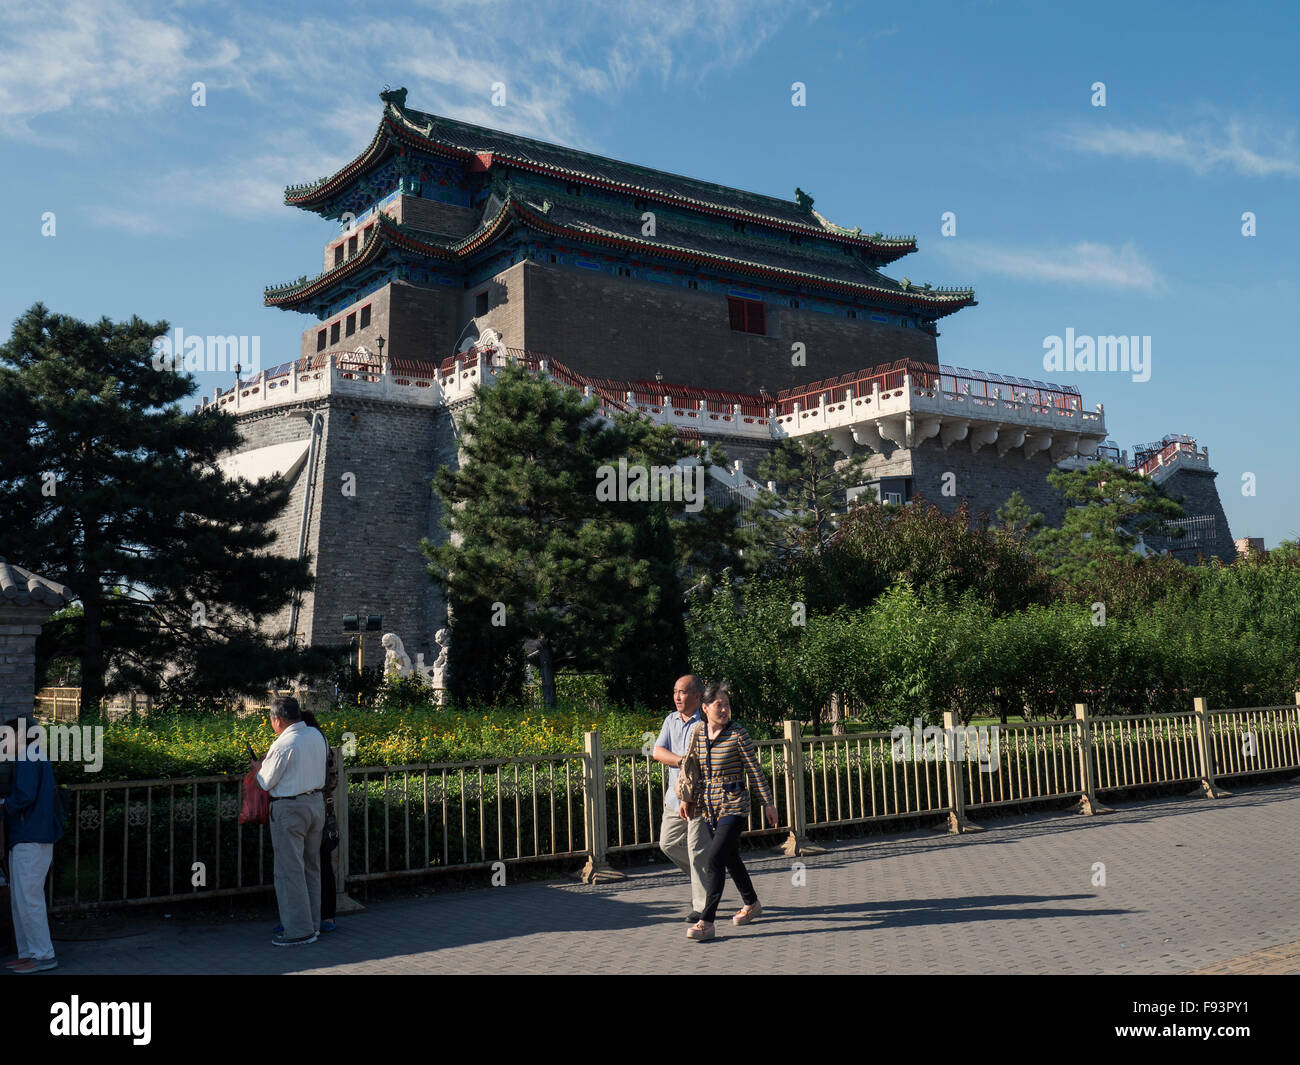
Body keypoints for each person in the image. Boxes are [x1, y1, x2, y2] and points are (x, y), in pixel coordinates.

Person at [681, 682, 778, 942]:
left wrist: (768, 803)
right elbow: (692, 769)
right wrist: (687, 799)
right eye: (718, 705)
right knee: (730, 857)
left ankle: (707, 922)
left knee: (714, 859)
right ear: (705, 708)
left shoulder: (738, 734)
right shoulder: (699, 733)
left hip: (735, 805)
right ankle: (752, 903)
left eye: (727, 705)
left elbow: (755, 771)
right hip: (709, 808)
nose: (724, 710)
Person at [251, 697, 328, 946]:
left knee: (289, 871)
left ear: (277, 719)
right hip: (316, 804)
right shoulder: (316, 735)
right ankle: (313, 925)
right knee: (311, 868)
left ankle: (298, 931)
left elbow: (265, 782)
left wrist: (257, 768)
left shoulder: (284, 743)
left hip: (290, 808)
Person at [2, 714, 63, 973]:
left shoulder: (28, 757)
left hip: (30, 836)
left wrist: (5, 806)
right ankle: (30, 953)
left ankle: (43, 955)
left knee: (27, 899)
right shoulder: (34, 755)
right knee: (23, 899)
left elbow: (24, 796)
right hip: (32, 836)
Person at [651, 675, 711, 922]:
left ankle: (702, 906)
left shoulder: (707, 722)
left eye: (683, 692)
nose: (677, 697)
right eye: (675, 691)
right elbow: (657, 751)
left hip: (699, 799)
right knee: (667, 844)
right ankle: (707, 879)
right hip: (675, 799)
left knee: (697, 851)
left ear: (697, 696)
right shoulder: (670, 720)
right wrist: (681, 761)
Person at [299, 711, 338, 934]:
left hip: (309, 808)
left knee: (306, 864)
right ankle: (327, 916)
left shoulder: (301, 746)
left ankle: (310, 916)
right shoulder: (323, 745)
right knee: (323, 863)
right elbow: (333, 778)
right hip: (324, 808)